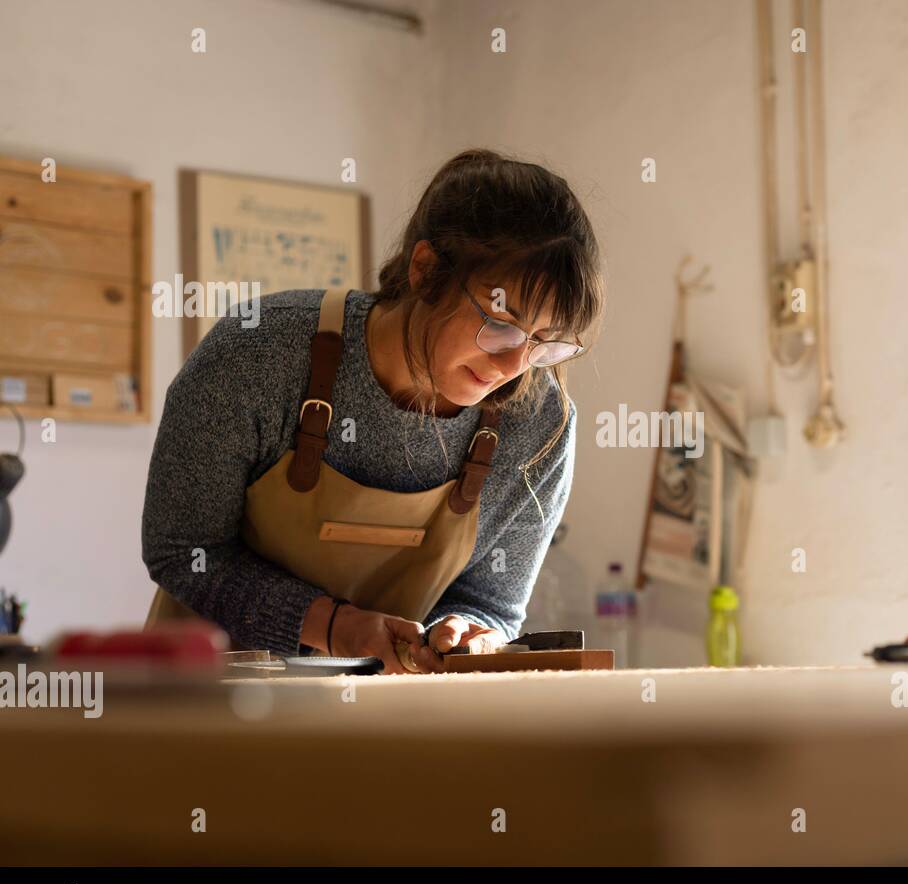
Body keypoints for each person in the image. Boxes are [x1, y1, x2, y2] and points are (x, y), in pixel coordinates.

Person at [142, 148, 604, 674]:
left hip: (386, 726)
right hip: (206, 711)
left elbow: (493, 604)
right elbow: (182, 549)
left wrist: (465, 633)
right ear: (426, 271)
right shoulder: (260, 351)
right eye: (500, 323)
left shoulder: (539, 423)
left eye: (547, 343)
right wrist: (334, 627)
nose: (516, 365)